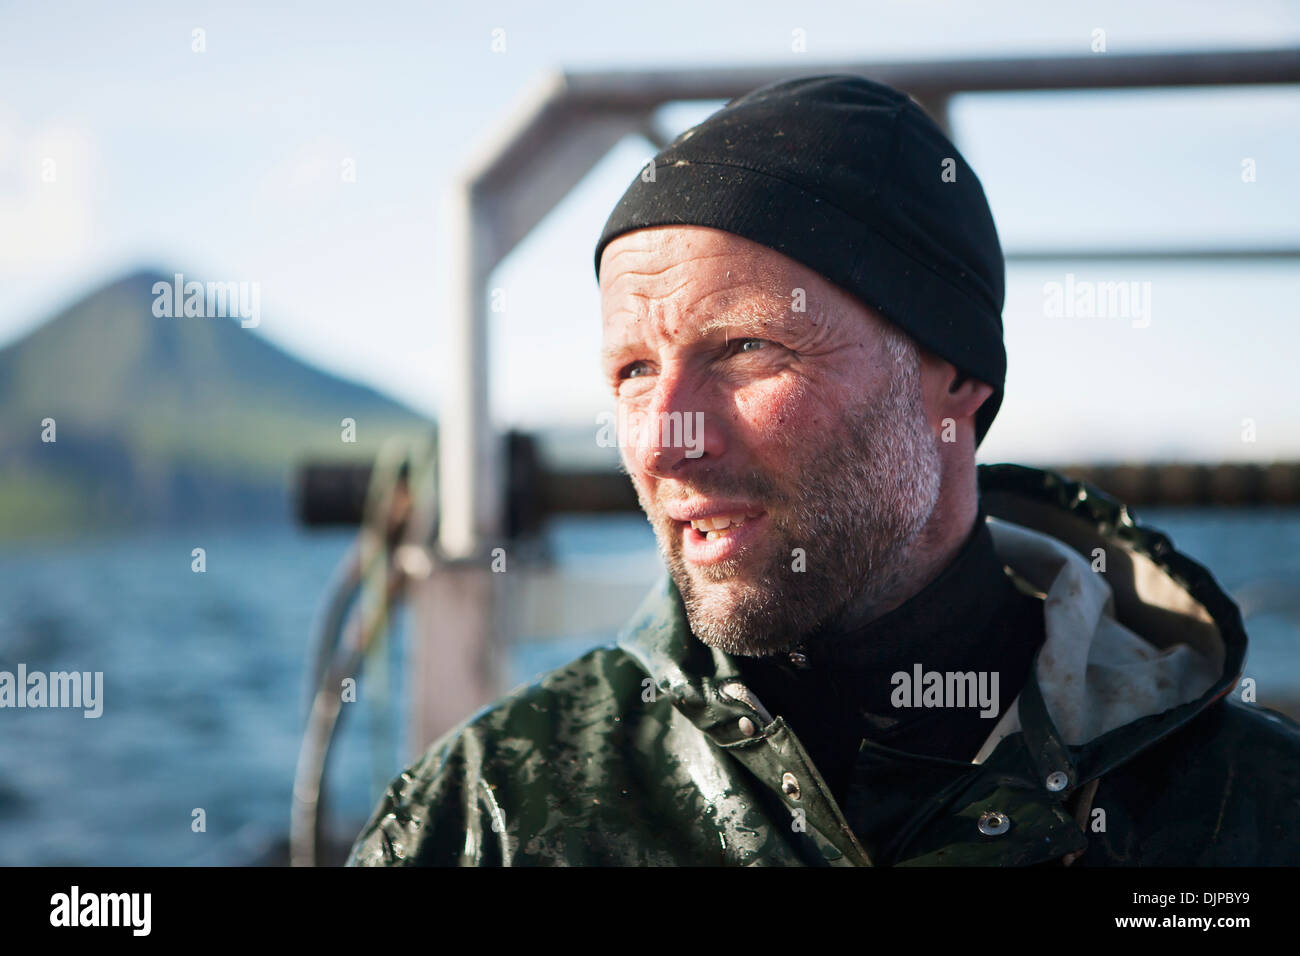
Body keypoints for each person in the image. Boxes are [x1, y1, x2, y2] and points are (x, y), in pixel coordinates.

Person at [348, 74, 1300, 866]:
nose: (663, 438)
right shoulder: (485, 815)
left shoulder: (1241, 810)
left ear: (956, 375)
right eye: (635, 371)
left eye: (747, 348)